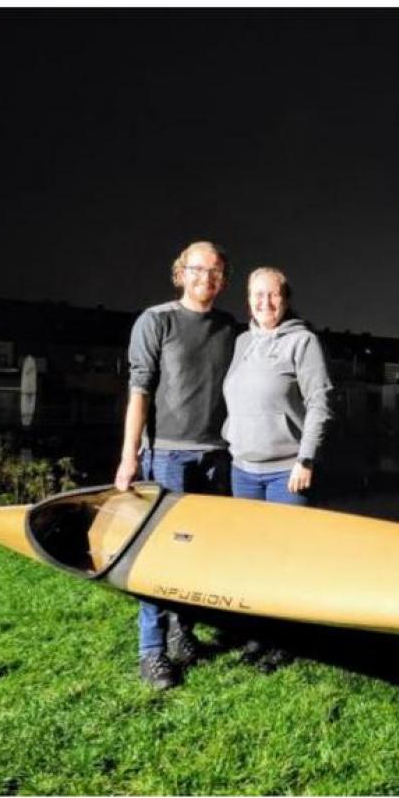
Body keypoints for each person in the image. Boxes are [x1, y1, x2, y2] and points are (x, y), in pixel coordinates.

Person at [116, 240, 238, 691]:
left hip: (216, 456)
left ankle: (181, 631)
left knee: (196, 553)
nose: (206, 278)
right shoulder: (156, 321)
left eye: (215, 271)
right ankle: (151, 651)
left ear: (223, 280)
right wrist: (129, 456)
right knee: (158, 552)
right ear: (181, 272)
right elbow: (139, 392)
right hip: (167, 455)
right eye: (198, 269)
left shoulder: (229, 329)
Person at [219, 266, 333, 671]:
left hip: (288, 470)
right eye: (257, 294)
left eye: (273, 295)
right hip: (243, 468)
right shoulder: (242, 342)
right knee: (252, 556)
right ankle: (258, 636)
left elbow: (319, 404)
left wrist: (306, 458)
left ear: (285, 299)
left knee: (286, 557)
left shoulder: (303, 342)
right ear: (248, 299)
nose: (264, 302)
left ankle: (285, 640)